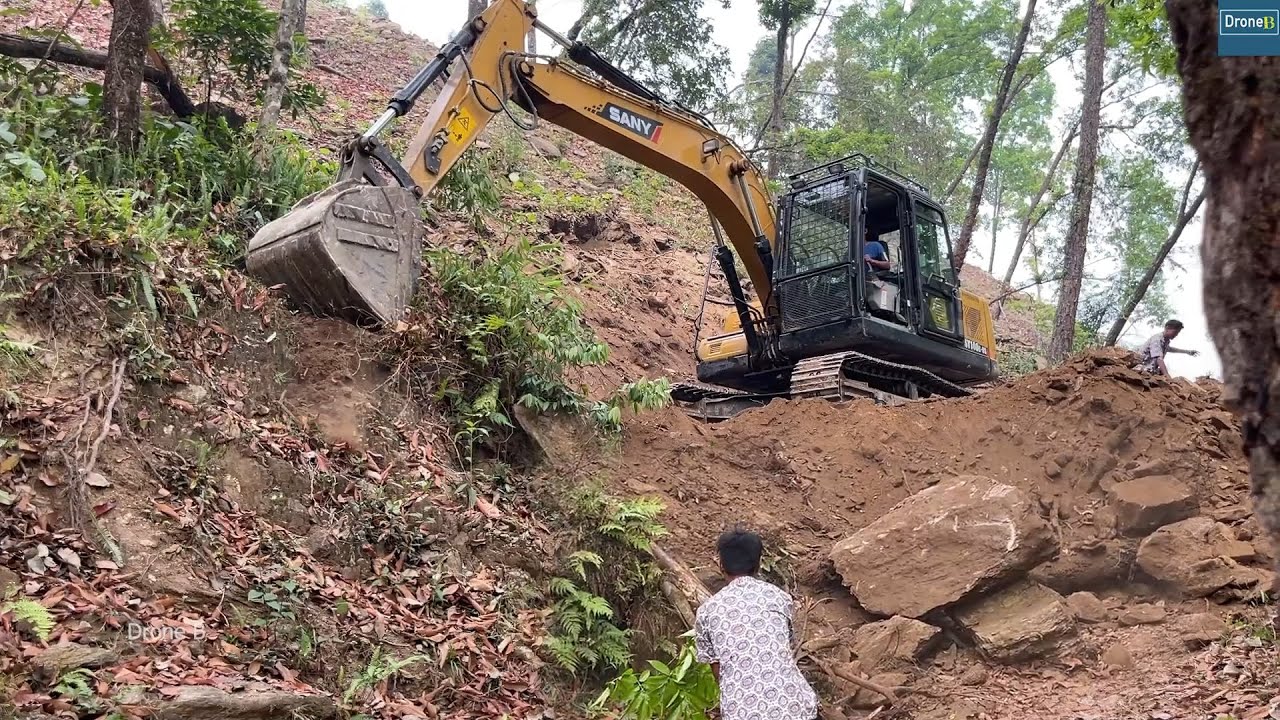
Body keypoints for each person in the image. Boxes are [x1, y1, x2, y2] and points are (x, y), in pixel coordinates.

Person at [694, 527, 817, 720]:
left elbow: (719, 673)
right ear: (758, 564)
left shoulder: (706, 612)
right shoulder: (779, 598)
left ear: (721, 565)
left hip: (743, 713)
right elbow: (786, 646)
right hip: (796, 707)